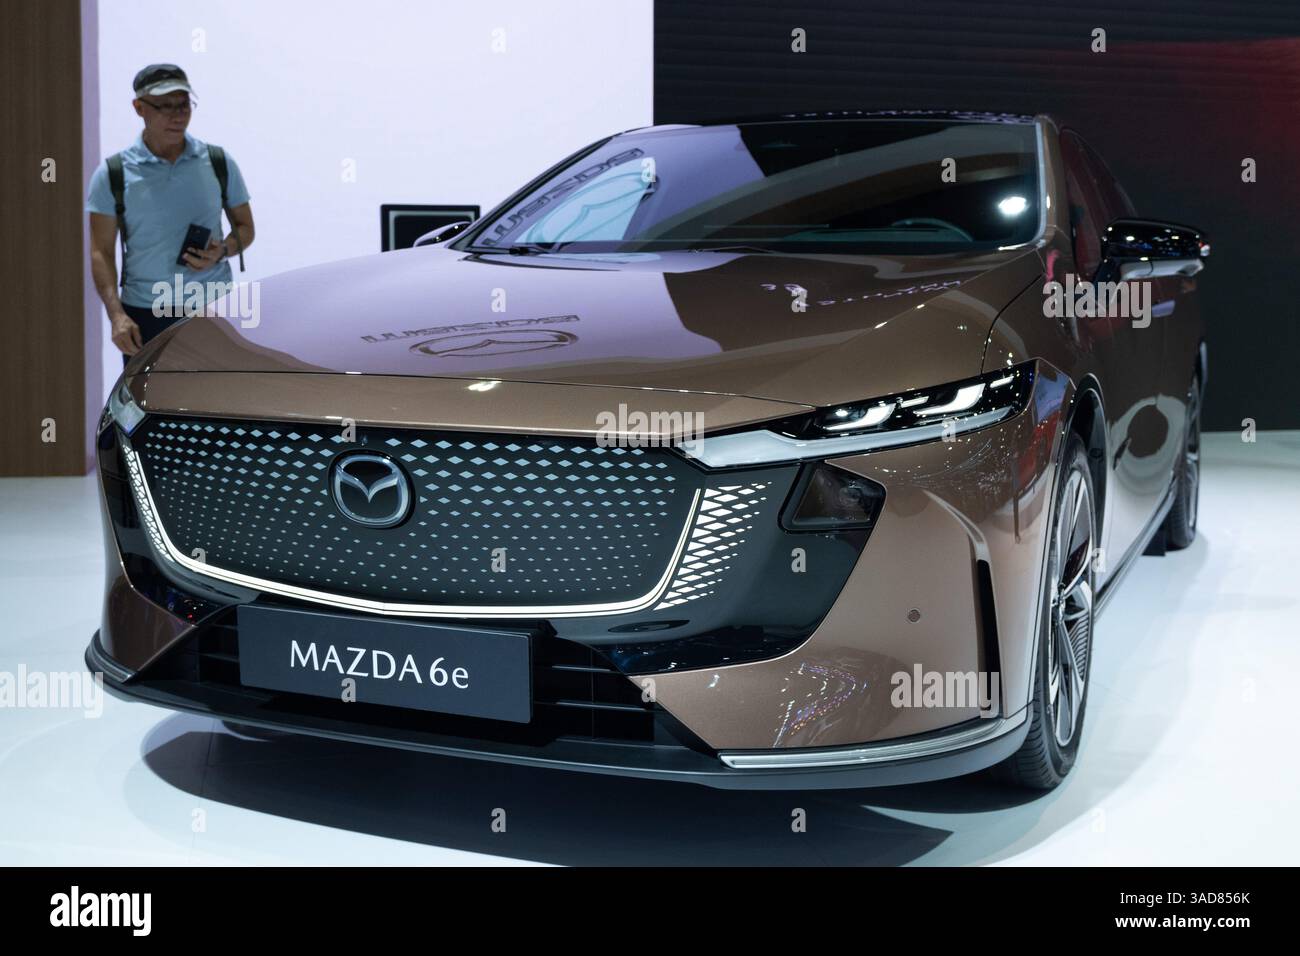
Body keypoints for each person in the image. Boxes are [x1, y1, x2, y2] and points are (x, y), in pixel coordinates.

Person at [87, 64, 254, 363]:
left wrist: (222, 250)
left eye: (184, 104)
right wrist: (116, 316)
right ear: (139, 107)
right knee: (151, 408)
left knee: (216, 405)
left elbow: (245, 228)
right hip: (145, 315)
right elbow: (100, 251)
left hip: (213, 308)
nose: (178, 115)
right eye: (165, 106)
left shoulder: (217, 161)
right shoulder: (113, 174)